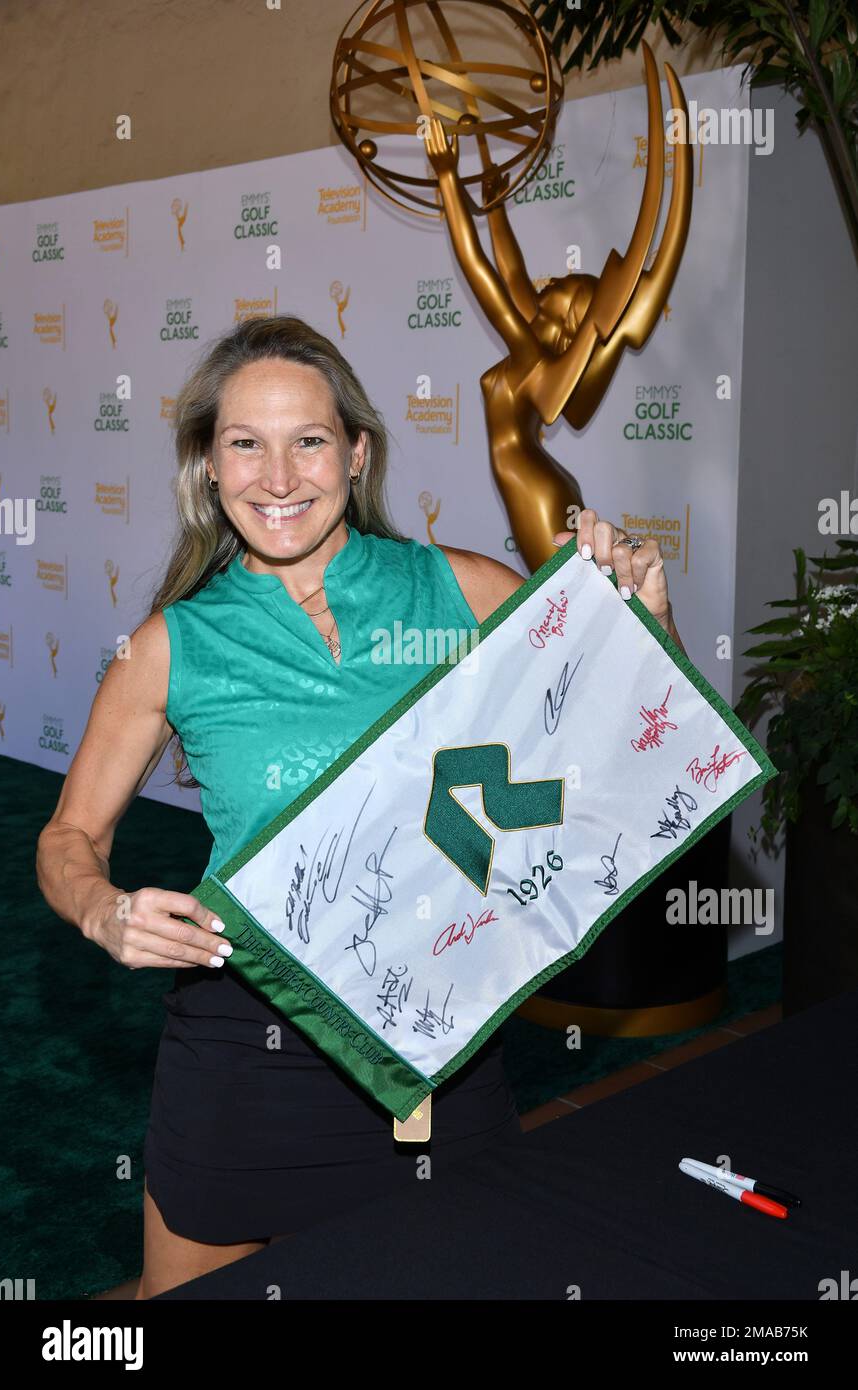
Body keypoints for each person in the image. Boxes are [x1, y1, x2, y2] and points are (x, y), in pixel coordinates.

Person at [36, 315, 683, 1299]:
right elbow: (69, 835)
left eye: (308, 440)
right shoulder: (169, 645)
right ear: (208, 466)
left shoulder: (464, 591)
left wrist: (647, 626)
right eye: (244, 443)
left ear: (357, 452)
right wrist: (100, 907)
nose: (279, 476)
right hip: (242, 1048)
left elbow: (622, 762)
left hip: (432, 1046)